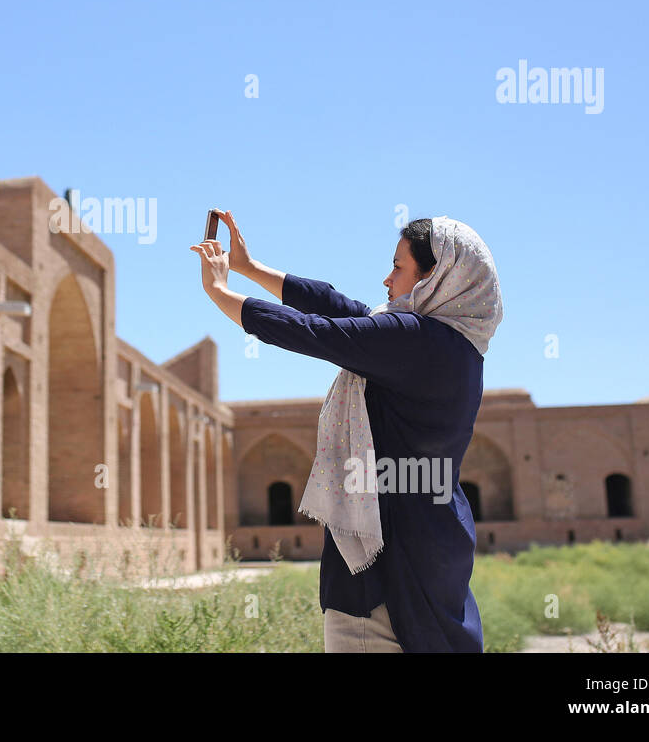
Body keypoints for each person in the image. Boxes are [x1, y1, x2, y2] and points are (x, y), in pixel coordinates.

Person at [190, 209, 503, 652]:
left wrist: (220, 292)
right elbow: (340, 308)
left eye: (398, 267)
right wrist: (249, 268)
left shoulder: (413, 340)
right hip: (436, 552)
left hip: (380, 571)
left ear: (437, 277)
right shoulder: (457, 348)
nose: (386, 279)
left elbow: (318, 332)